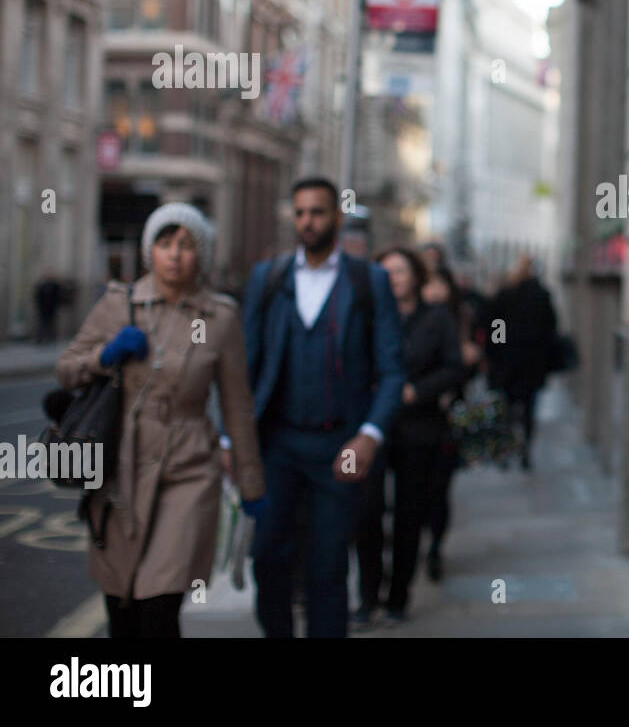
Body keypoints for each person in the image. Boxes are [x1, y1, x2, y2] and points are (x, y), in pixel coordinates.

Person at [55, 203, 265, 638]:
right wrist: (105, 355)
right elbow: (67, 370)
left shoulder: (219, 317)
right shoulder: (119, 305)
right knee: (122, 604)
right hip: (119, 467)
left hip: (188, 467)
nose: (175, 254)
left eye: (186, 245)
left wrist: (251, 485)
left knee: (160, 603)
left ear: (200, 253)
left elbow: (237, 406)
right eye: (165, 243)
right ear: (150, 249)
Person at [240, 177, 404, 638]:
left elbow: (393, 370)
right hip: (278, 443)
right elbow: (244, 366)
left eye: (317, 212)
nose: (307, 222)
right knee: (268, 557)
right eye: (300, 213)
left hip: (341, 444)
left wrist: (369, 435)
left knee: (328, 567)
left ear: (337, 216)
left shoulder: (369, 281)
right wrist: (231, 437)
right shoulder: (268, 279)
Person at [354, 250, 463, 622]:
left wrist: (417, 391)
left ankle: (398, 597)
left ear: (415, 277)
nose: (393, 278)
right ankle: (368, 597)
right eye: (385, 272)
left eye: (400, 271)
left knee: (409, 513)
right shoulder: (366, 316)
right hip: (373, 428)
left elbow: (453, 367)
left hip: (419, 428)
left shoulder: (436, 318)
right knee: (366, 511)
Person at [486, 254, 558, 470]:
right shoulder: (541, 295)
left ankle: (505, 452)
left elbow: (495, 324)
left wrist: (497, 350)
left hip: (508, 360)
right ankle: (525, 451)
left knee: (506, 407)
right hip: (532, 362)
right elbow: (550, 328)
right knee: (528, 409)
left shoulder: (506, 293)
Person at [34, 271, 62, 343]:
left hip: (52, 308)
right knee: (42, 323)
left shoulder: (55, 285)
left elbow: (58, 296)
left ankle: (51, 337)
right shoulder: (41, 285)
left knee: (51, 323)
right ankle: (40, 338)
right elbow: (37, 296)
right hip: (43, 308)